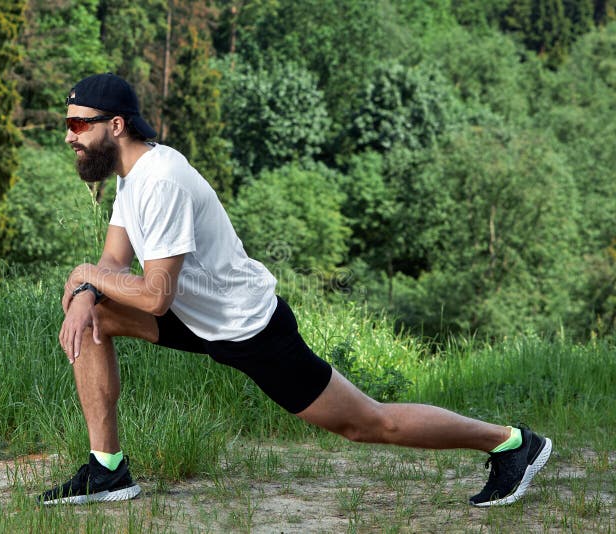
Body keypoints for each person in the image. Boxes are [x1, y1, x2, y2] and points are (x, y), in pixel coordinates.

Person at [37, 73, 552, 508]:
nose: (70, 137)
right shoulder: (131, 176)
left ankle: (510, 443)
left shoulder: (162, 180)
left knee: (367, 423)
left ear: (116, 125)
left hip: (248, 327)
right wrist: (86, 292)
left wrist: (85, 275)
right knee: (96, 318)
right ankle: (108, 470)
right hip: (198, 318)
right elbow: (112, 262)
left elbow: (153, 297)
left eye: (78, 124)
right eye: (69, 126)